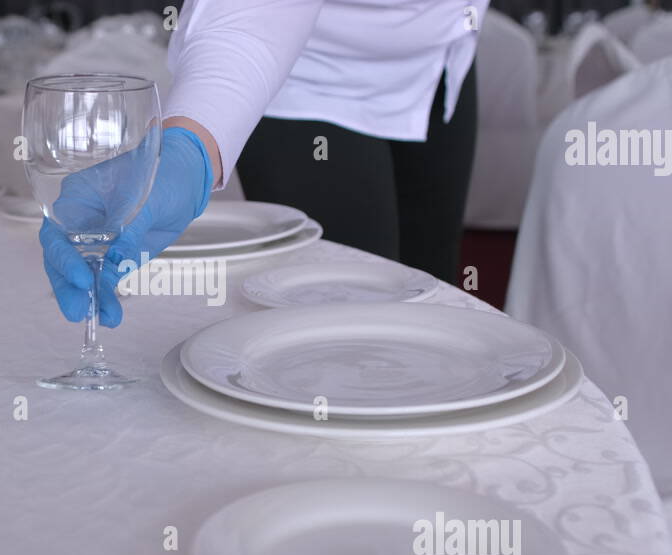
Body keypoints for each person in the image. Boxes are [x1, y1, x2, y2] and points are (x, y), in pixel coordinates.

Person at [40, 0, 489, 328]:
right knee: (350, 323)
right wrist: (189, 149)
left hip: (440, 61)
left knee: (434, 302)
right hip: (306, 75)